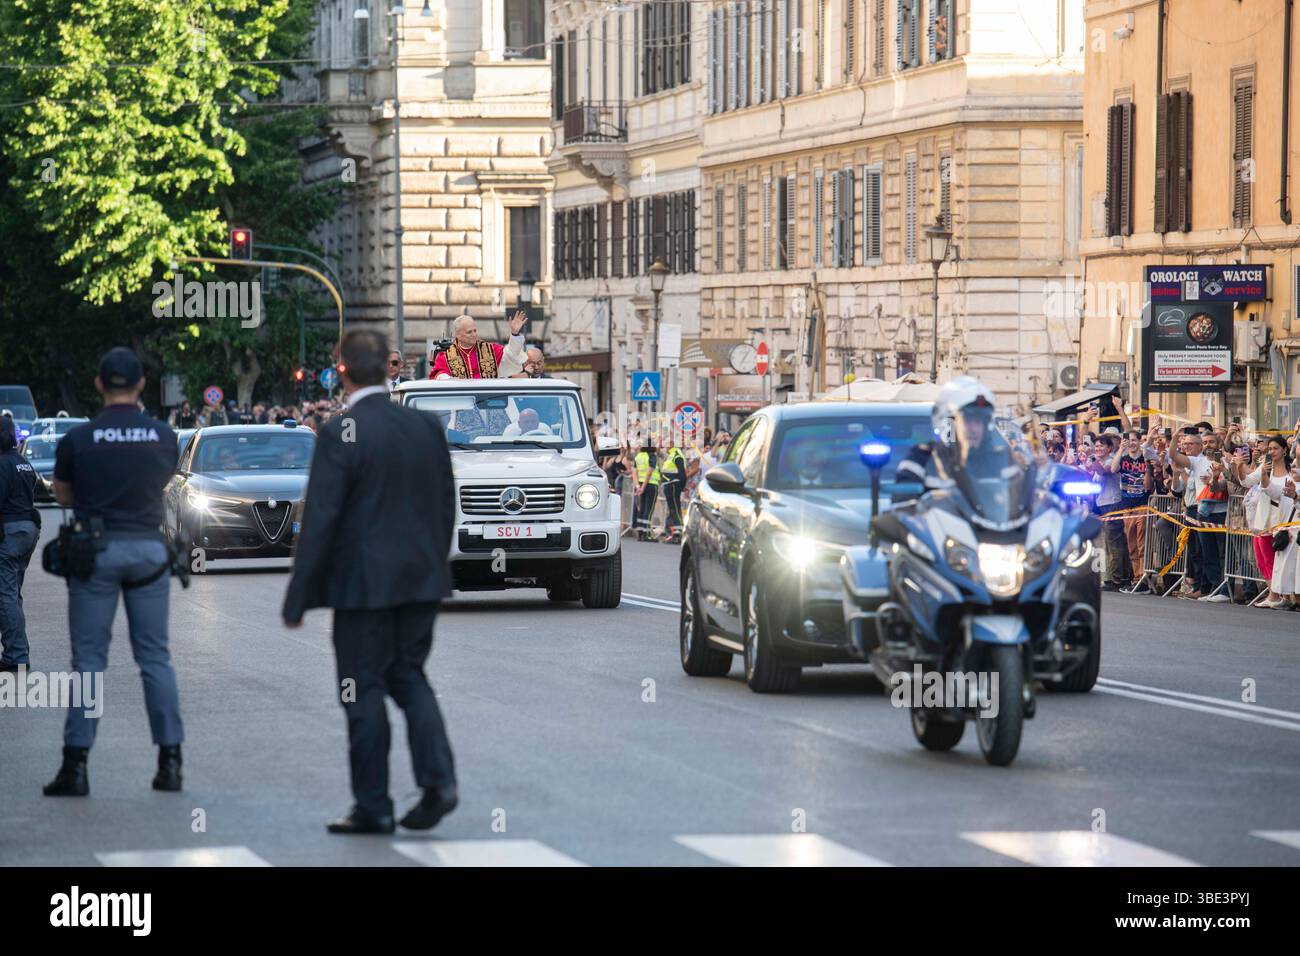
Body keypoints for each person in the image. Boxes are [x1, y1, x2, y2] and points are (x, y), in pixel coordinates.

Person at [283, 329, 458, 835]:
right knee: (409, 677)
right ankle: (438, 783)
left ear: (343, 372)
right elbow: (445, 505)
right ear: (388, 369)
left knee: (362, 690)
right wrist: (432, 564)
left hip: (363, 590)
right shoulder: (425, 426)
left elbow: (321, 519)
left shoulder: (342, 431)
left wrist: (298, 599)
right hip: (421, 580)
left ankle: (374, 805)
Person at [44, 347, 182, 797]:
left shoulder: (77, 441)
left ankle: (76, 767)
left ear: (100, 385)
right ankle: (170, 763)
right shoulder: (163, 436)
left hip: (95, 552)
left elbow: (63, 497)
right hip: (147, 547)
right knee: (155, 657)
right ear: (141, 384)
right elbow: (163, 482)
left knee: (88, 660)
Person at [0, 416, 40, 672]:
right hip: (28, 531)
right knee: (12, 594)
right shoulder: (23, 463)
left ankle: (17, 657)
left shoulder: (2, 465)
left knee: (5, 596)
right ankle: (16, 651)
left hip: (11, 533)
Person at [1112, 429, 1152, 592]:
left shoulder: (1145, 458)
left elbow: (1149, 486)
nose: (1132, 443)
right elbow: (1113, 469)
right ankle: (1136, 578)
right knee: (1132, 545)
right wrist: (1121, 449)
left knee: (1142, 544)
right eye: (1129, 440)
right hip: (1127, 507)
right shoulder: (1123, 458)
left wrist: (1148, 469)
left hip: (1142, 505)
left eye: (1135, 440)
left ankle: (1143, 578)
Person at [430, 312, 526, 379]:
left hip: (487, 401)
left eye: (475, 330)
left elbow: (511, 355)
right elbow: (439, 374)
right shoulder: (446, 356)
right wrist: (447, 379)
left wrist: (514, 333)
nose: (474, 334)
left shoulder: (490, 350)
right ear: (458, 334)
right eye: (469, 332)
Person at [659, 440, 687, 541]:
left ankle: (678, 533)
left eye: (666, 444)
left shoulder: (676, 455)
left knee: (675, 508)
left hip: (673, 485)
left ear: (672, 444)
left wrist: (682, 486)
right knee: (672, 509)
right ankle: (674, 532)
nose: (665, 447)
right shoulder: (671, 454)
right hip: (669, 485)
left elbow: (682, 474)